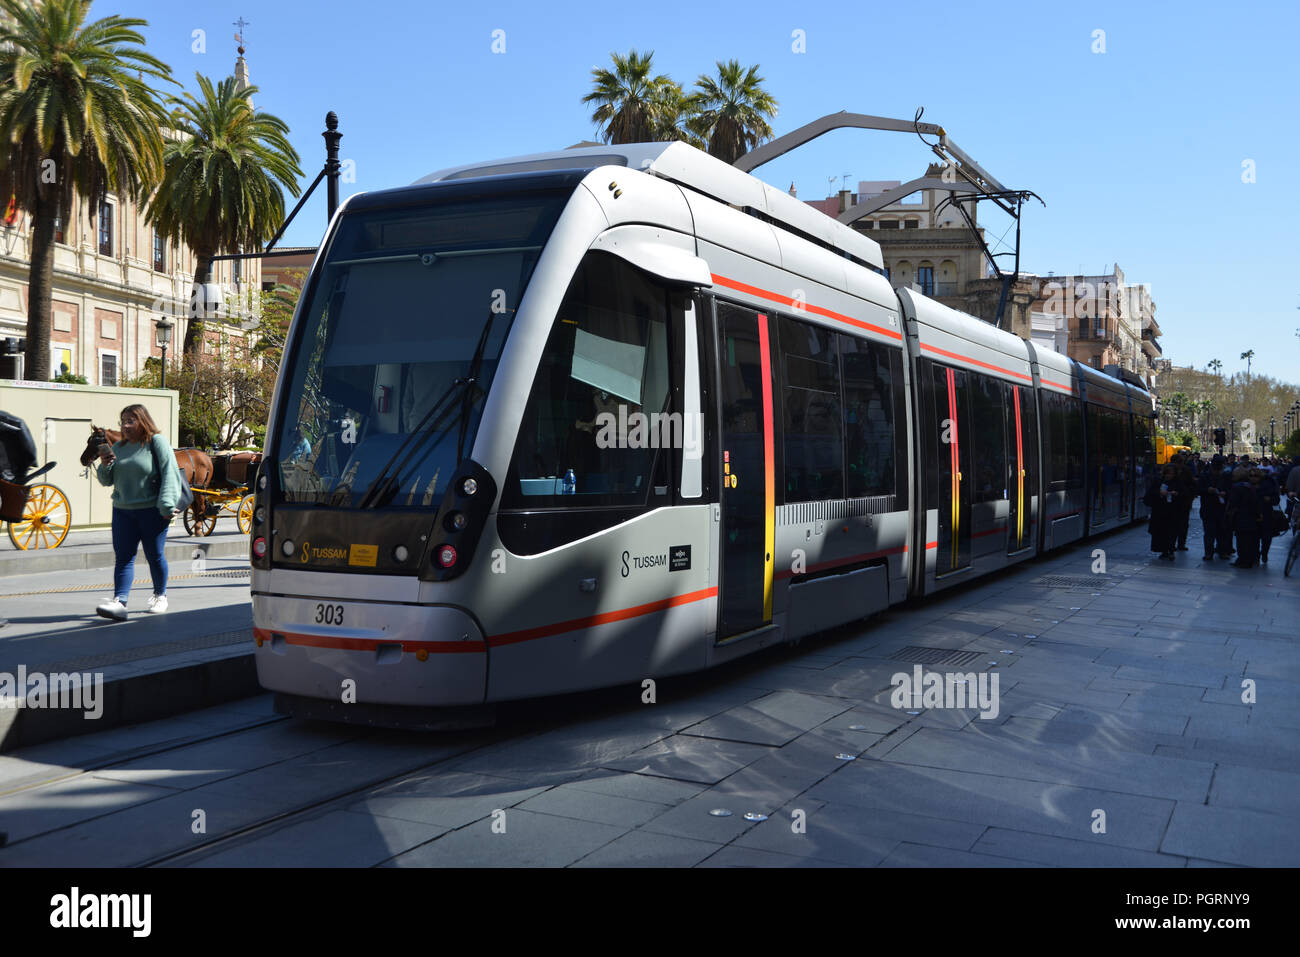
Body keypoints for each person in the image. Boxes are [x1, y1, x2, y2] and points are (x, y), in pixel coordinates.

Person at [94, 405, 179, 620]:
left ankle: (160, 595)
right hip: (123, 511)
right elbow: (106, 481)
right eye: (123, 420)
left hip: (152, 511)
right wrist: (104, 465)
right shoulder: (120, 447)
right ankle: (119, 602)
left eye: (131, 420)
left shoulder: (155, 443)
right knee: (123, 558)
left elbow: (170, 472)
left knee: (155, 555)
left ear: (143, 421)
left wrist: (167, 505)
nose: (125, 425)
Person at [1226, 466, 1262, 568]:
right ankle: (1248, 559)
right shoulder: (1250, 486)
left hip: (1240, 516)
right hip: (1250, 516)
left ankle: (1243, 560)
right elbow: (1255, 502)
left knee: (1241, 539)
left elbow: (1233, 502)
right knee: (1249, 539)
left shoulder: (1237, 486)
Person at [1145, 465, 1179, 560]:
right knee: (1162, 531)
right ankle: (1164, 550)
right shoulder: (1158, 481)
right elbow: (1150, 493)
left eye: (1171, 474)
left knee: (1171, 531)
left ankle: (1171, 550)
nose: (1169, 476)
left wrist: (1176, 494)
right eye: (1168, 473)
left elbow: (1184, 493)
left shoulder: (1177, 482)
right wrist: (1159, 493)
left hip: (1173, 510)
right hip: (1160, 510)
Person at [1196, 458, 1227, 561]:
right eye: (1216, 470)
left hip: (1221, 508)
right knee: (1209, 532)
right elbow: (1198, 490)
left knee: (1222, 532)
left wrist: (1225, 493)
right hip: (1208, 507)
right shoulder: (1204, 476)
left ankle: (1222, 551)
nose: (1217, 472)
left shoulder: (1224, 477)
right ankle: (1209, 553)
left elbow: (1230, 490)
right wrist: (1207, 490)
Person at [1254, 466, 1281, 564]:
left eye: (1255, 475)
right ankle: (1256, 556)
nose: (1253, 477)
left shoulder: (1270, 482)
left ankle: (1264, 553)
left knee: (1266, 537)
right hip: (1254, 513)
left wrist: (1269, 499)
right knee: (1255, 537)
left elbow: (1276, 499)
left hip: (1267, 513)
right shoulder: (1250, 483)